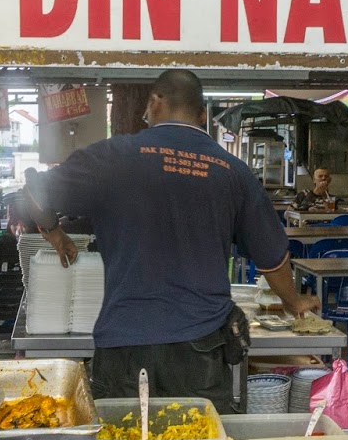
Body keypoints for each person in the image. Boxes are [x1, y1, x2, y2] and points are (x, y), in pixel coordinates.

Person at [27, 69, 319, 411]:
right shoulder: (232, 170)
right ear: (201, 116)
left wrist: (55, 233)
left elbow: (34, 191)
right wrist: (292, 301)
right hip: (201, 346)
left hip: (125, 342)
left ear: (155, 102)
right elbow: (272, 257)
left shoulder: (113, 157)